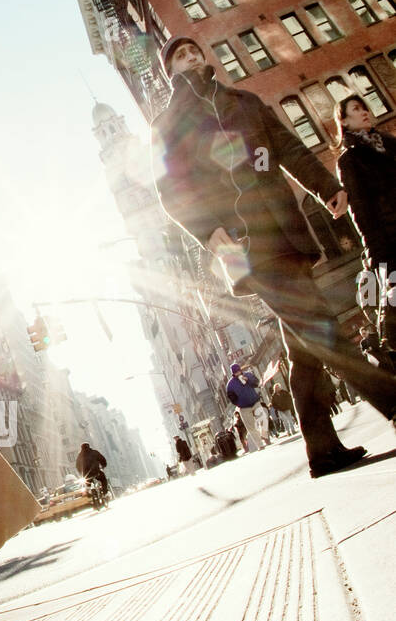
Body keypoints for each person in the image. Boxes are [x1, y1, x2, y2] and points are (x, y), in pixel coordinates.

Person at [151, 38, 396, 478]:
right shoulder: (170, 123)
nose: (191, 58)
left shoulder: (244, 101)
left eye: (194, 52)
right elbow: (170, 190)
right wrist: (209, 230)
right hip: (246, 248)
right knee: (323, 328)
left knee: (303, 348)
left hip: (286, 230)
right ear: (170, 70)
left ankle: (322, 450)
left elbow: (288, 147)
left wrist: (326, 187)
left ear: (205, 58)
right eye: (179, 56)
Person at [335, 94, 396, 352]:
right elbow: (360, 212)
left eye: (364, 107)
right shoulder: (349, 161)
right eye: (356, 109)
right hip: (391, 243)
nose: (365, 112)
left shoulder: (391, 144)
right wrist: (378, 254)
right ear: (345, 122)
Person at [225, 363, 264, 451]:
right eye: (236, 372)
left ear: (241, 370)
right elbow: (231, 397)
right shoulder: (230, 385)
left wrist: (248, 380)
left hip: (255, 402)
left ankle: (265, 437)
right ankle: (260, 445)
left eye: (239, 371)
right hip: (244, 408)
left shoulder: (248, 375)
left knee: (263, 421)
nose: (238, 373)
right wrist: (239, 404)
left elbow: (257, 383)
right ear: (233, 373)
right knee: (251, 428)